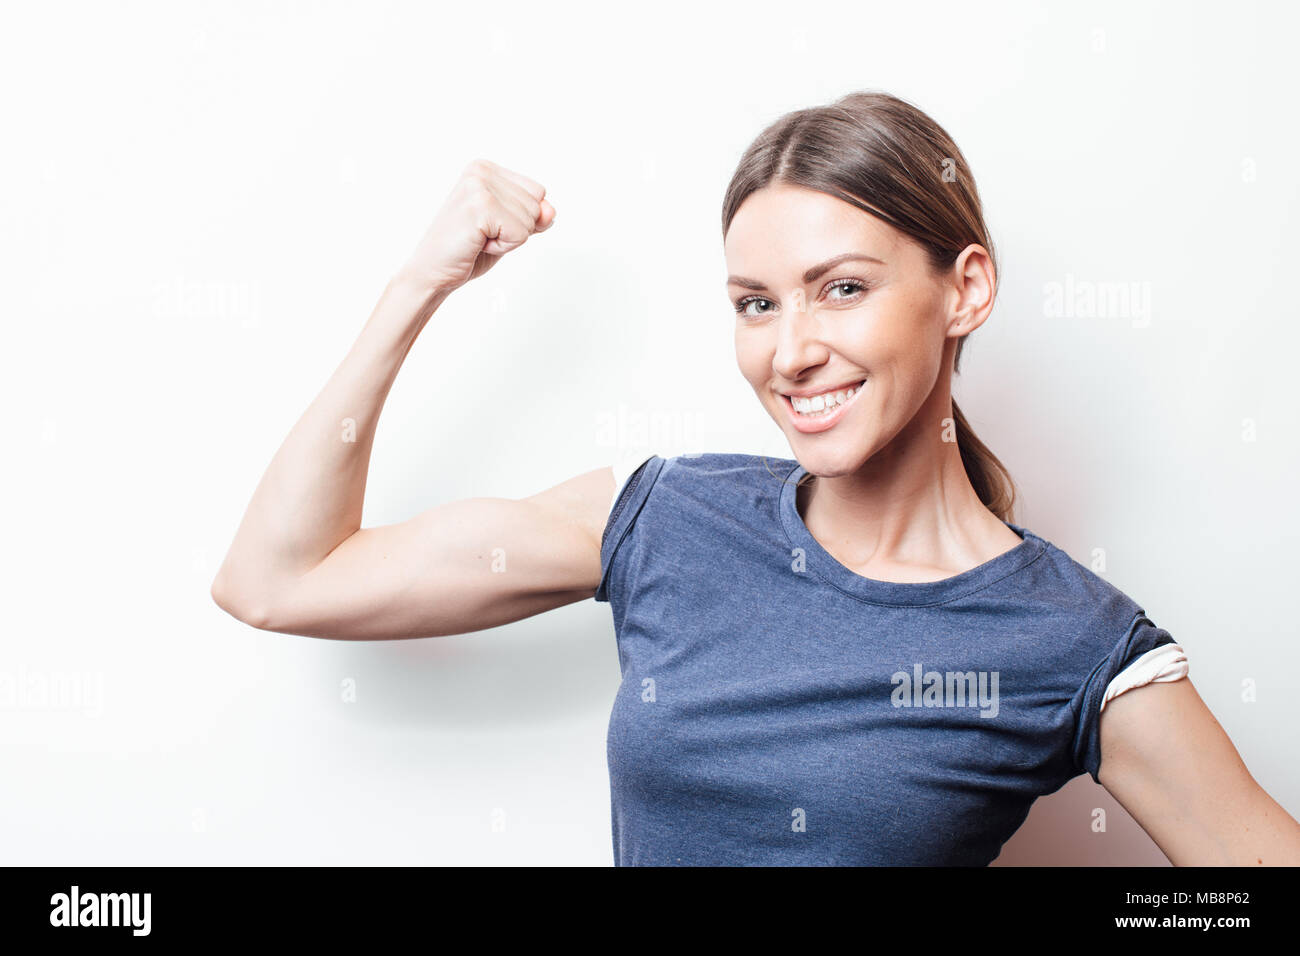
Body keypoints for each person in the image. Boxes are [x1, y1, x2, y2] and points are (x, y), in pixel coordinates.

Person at [212, 90, 1300, 866]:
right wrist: (422, 282)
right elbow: (279, 577)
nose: (789, 352)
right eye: (756, 302)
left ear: (965, 289)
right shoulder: (664, 518)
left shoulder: (1073, 643)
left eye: (841, 287)